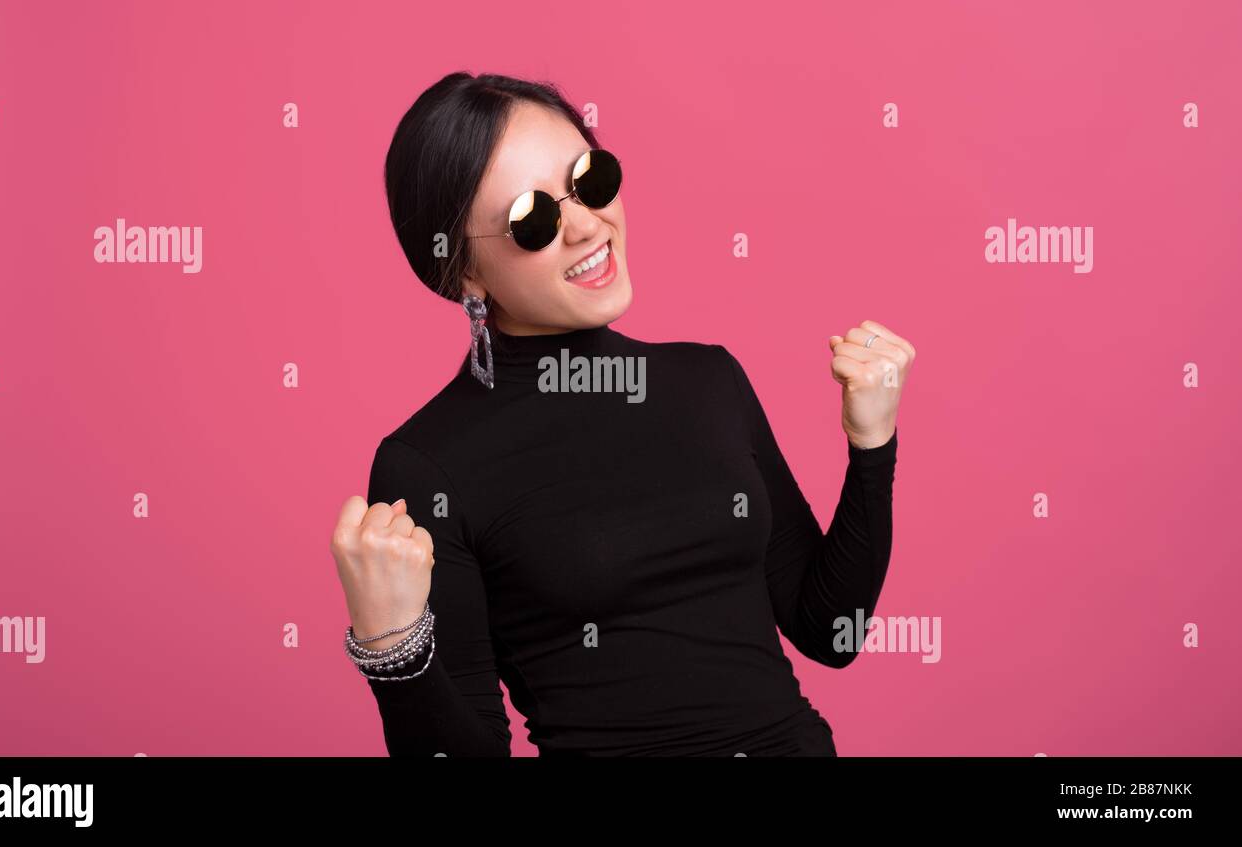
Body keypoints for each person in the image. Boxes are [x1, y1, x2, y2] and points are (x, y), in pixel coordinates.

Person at [329, 71, 915, 756]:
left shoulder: (708, 379)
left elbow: (829, 629)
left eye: (590, 178)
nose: (585, 225)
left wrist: (871, 445)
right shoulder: (427, 463)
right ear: (462, 273)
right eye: (533, 219)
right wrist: (393, 648)